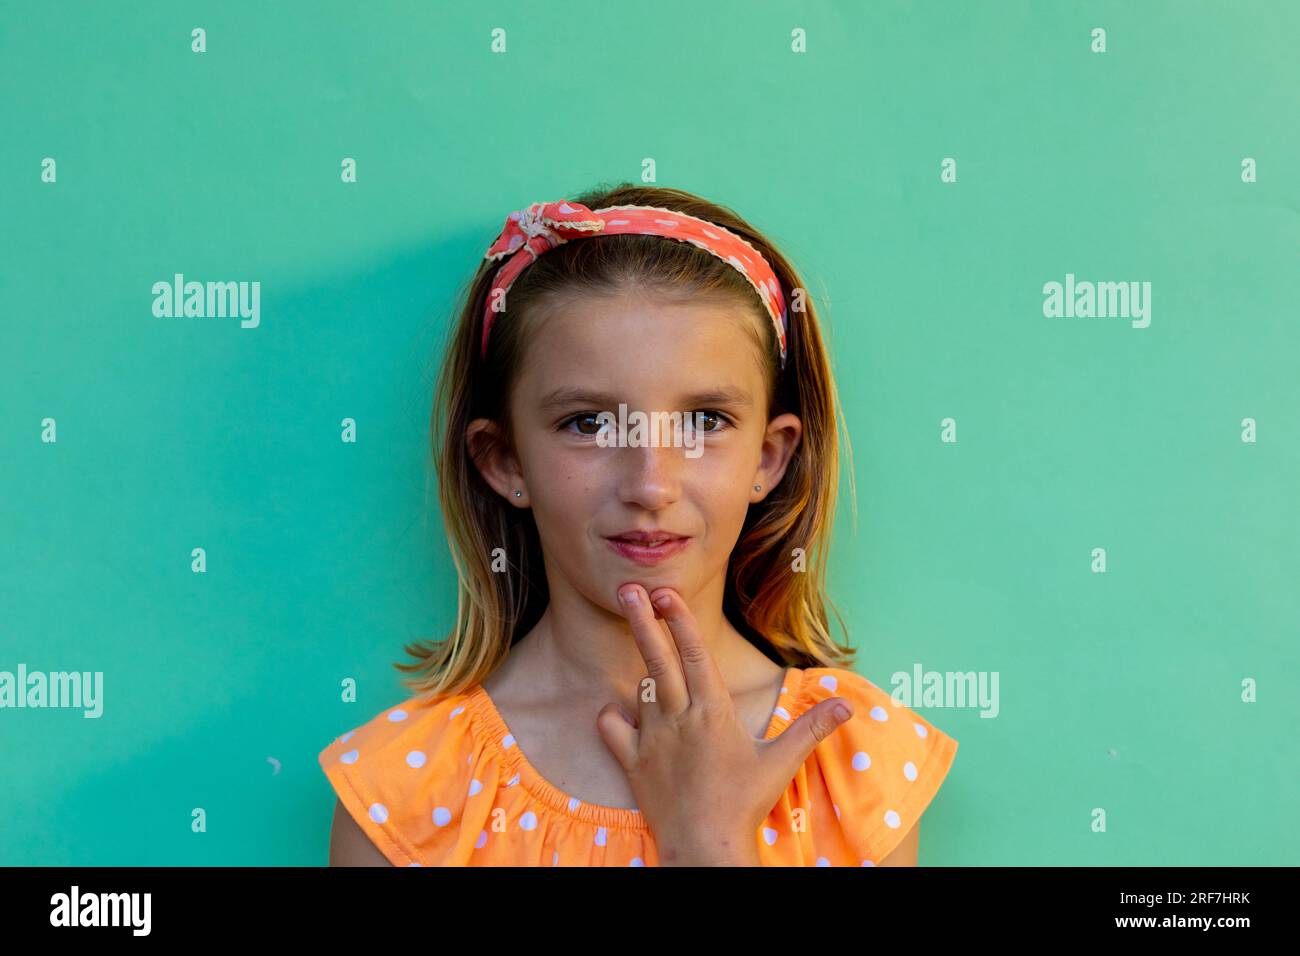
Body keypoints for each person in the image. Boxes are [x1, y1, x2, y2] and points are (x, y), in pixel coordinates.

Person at [318, 183, 958, 866]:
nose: (651, 485)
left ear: (768, 458)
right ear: (504, 460)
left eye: (705, 421)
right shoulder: (403, 793)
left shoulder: (847, 762)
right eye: (588, 423)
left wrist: (707, 843)